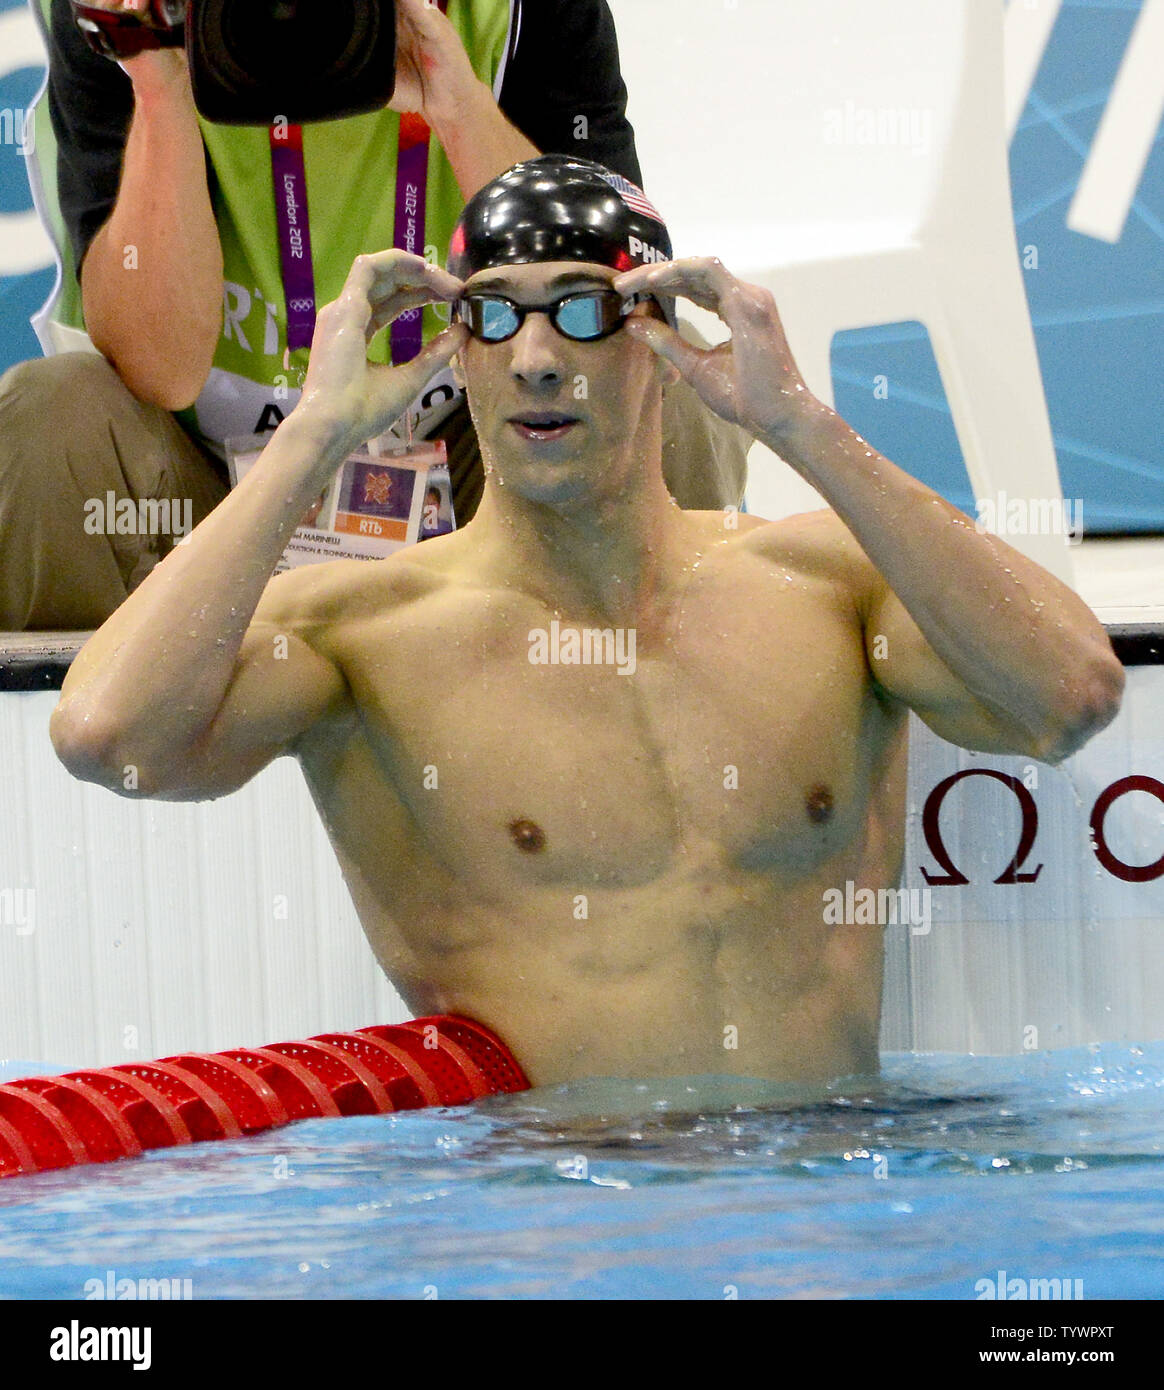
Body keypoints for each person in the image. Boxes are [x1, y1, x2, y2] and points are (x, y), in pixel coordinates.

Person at [48, 156, 1125, 1090]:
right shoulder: (365, 630)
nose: (536, 357)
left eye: (579, 308)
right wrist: (310, 440)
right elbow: (106, 737)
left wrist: (799, 419)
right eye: (495, 314)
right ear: (457, 349)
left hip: (825, 1207)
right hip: (550, 1228)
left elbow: (1068, 698)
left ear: (655, 332)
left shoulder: (824, 582)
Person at [0, 0, 748, 629]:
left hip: (479, 478)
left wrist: (455, 104)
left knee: (656, 402)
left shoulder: (512, 9)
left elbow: (612, 309)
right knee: (50, 420)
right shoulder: (130, 9)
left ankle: (599, 734)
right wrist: (158, 81)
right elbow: (159, 367)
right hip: (212, 501)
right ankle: (111, 754)